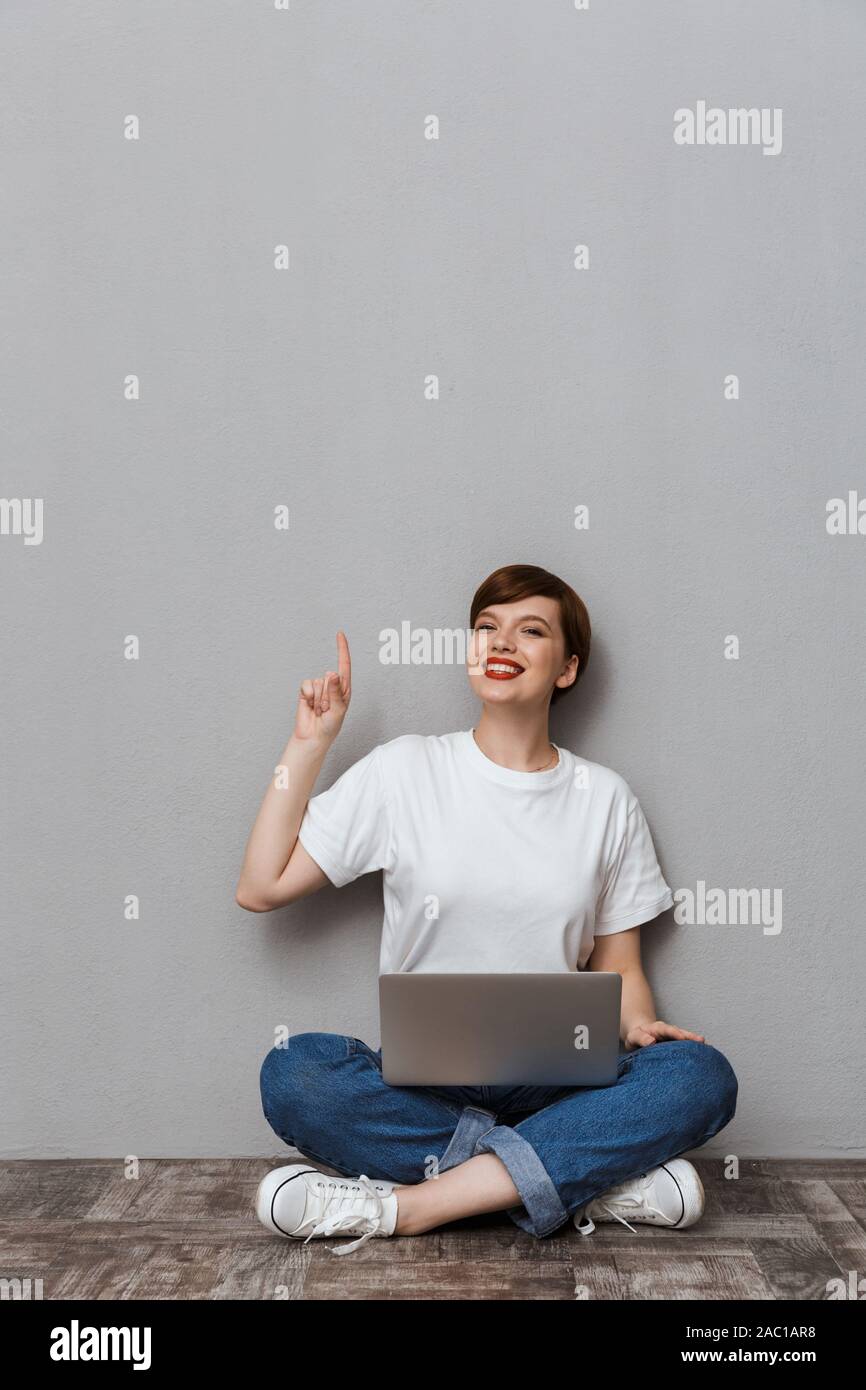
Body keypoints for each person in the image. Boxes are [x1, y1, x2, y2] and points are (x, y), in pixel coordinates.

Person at [236, 563, 738, 1254]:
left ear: (566, 668)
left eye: (530, 631)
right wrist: (309, 743)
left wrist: (643, 1025)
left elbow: (619, 968)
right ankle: (580, 1179)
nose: (500, 643)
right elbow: (261, 887)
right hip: (427, 1086)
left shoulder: (607, 799)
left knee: (700, 1075)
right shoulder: (403, 770)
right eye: (486, 628)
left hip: (559, 1086)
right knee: (293, 1073)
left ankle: (407, 1207)